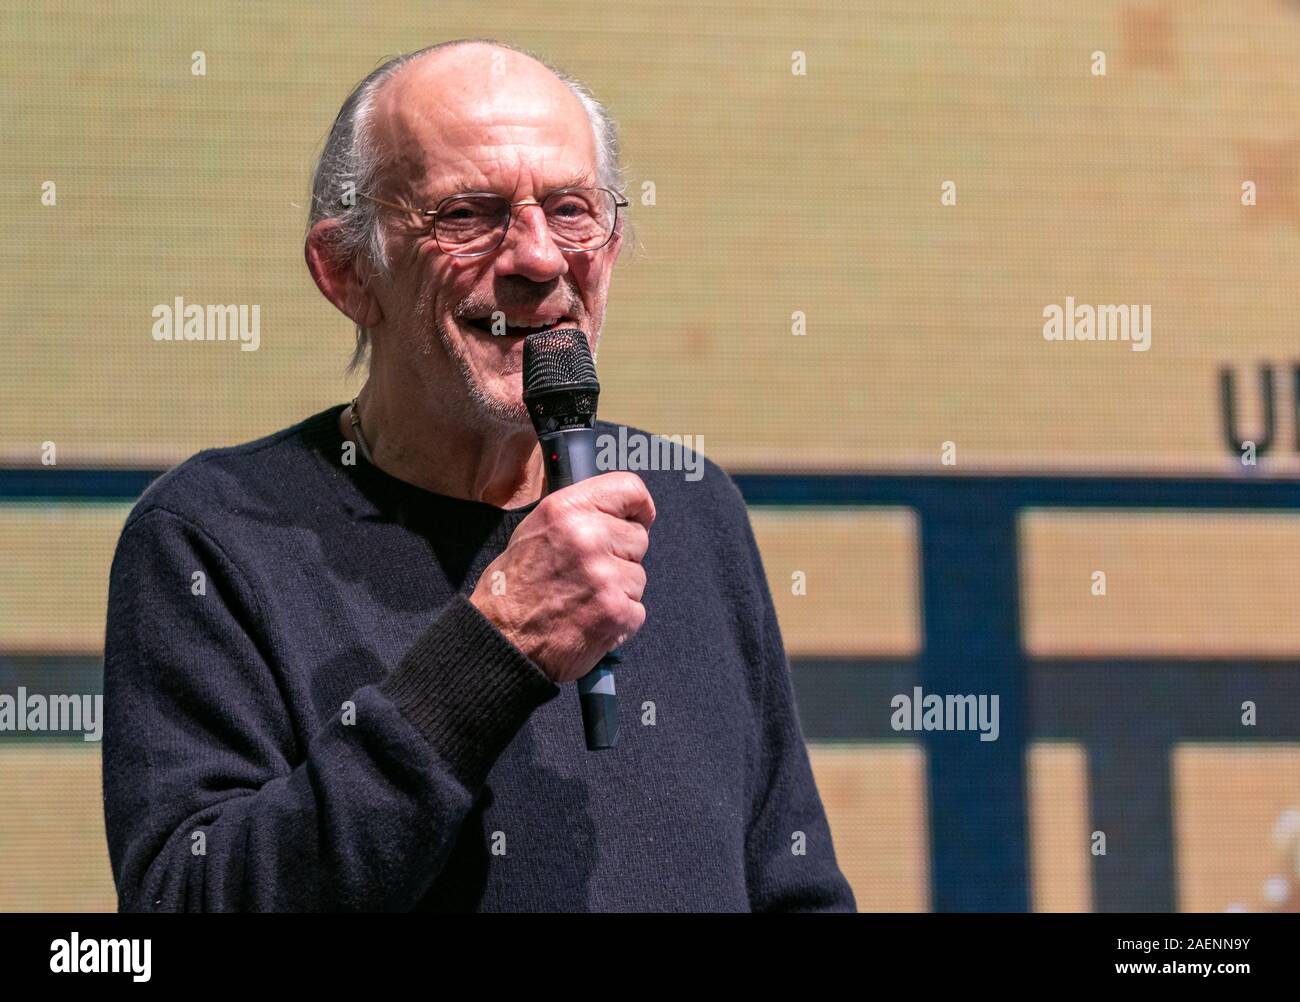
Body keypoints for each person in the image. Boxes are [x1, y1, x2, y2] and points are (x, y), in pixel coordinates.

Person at [101, 38, 855, 912]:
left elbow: (795, 889)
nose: (540, 258)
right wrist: (490, 652)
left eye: (571, 210)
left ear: (610, 248)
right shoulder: (213, 536)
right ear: (347, 272)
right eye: (467, 214)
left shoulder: (690, 506)